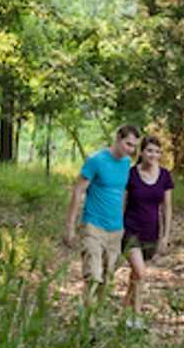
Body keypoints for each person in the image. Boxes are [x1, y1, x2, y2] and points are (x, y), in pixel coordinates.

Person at [63, 123, 141, 307]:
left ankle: (95, 316)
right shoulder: (96, 160)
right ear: (118, 138)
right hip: (93, 225)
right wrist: (70, 226)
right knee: (93, 276)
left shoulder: (126, 163)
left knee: (107, 279)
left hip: (115, 229)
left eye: (134, 147)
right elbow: (77, 191)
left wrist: (122, 221)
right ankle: (87, 326)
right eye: (128, 144)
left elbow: (122, 192)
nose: (131, 150)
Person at [121, 134, 174, 325]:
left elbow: (167, 208)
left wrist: (165, 236)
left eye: (157, 152)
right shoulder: (130, 174)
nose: (153, 155)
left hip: (152, 232)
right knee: (141, 273)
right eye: (149, 151)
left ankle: (123, 312)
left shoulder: (165, 176)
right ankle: (136, 317)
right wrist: (118, 229)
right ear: (141, 152)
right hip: (130, 230)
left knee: (136, 275)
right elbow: (122, 203)